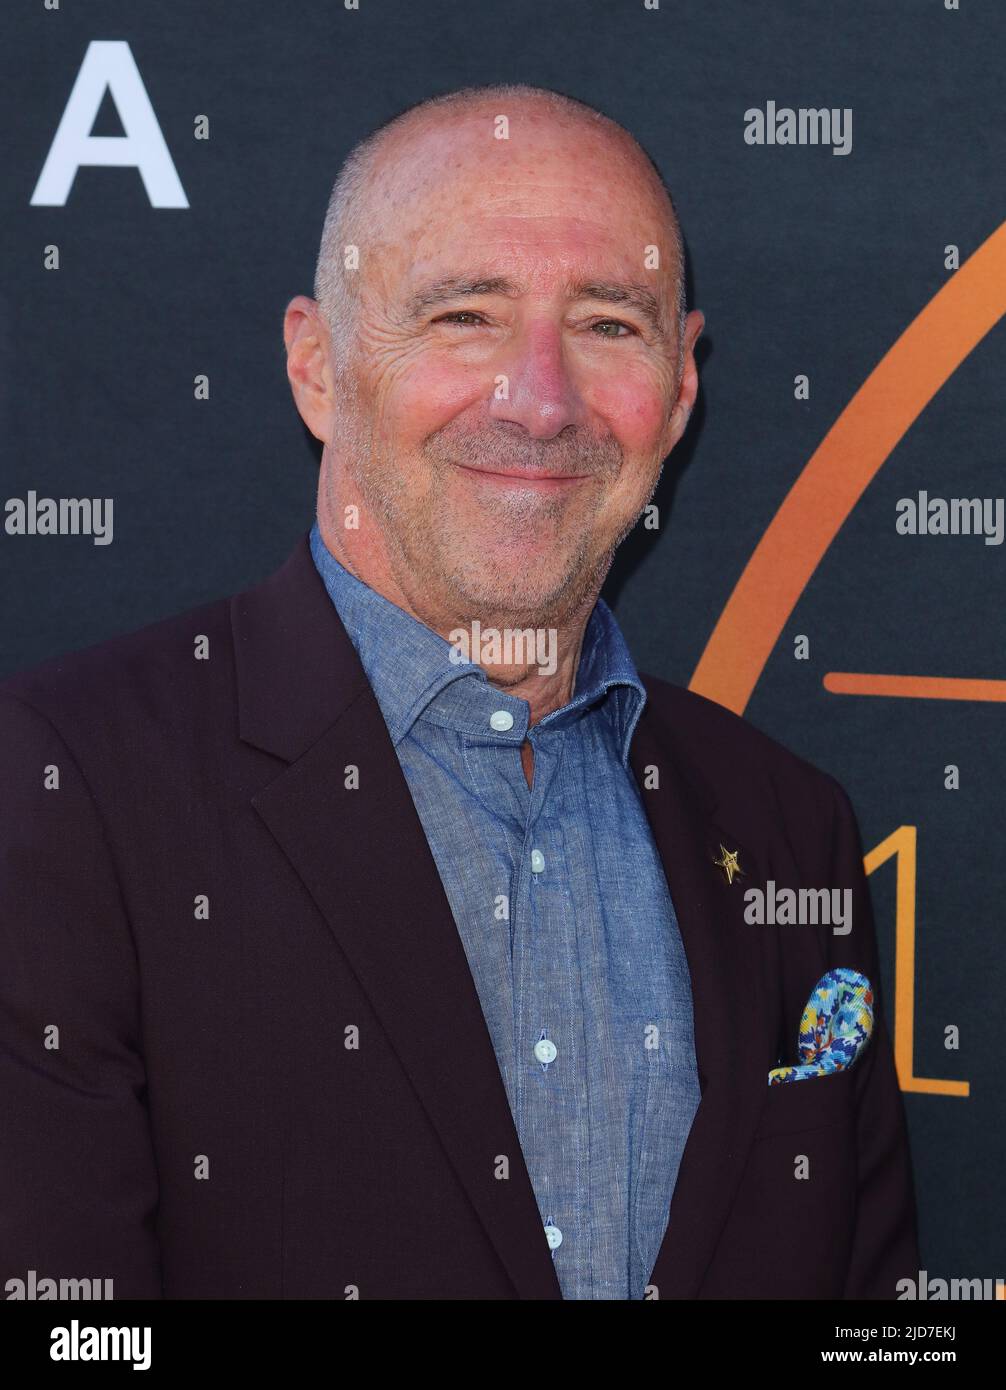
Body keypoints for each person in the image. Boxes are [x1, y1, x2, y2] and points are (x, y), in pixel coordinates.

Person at [0, 83, 918, 1300]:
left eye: (606, 323)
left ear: (680, 392)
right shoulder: (67, 788)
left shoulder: (787, 822)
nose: (538, 400)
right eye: (463, 316)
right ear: (317, 369)